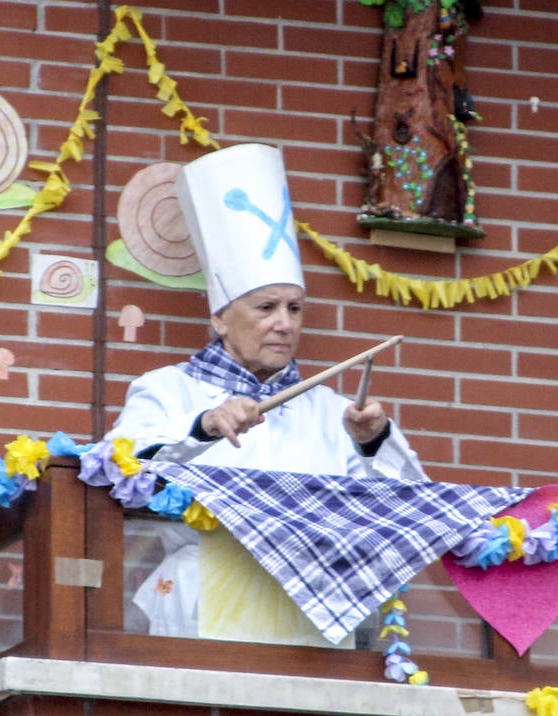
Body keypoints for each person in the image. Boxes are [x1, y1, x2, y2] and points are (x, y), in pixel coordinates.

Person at [108, 143, 426, 645]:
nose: (284, 324)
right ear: (218, 318)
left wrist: (373, 441)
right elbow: (116, 471)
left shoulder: (334, 411)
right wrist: (204, 427)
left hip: (316, 610)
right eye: (266, 307)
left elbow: (400, 512)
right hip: (199, 599)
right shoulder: (166, 390)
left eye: (295, 309)